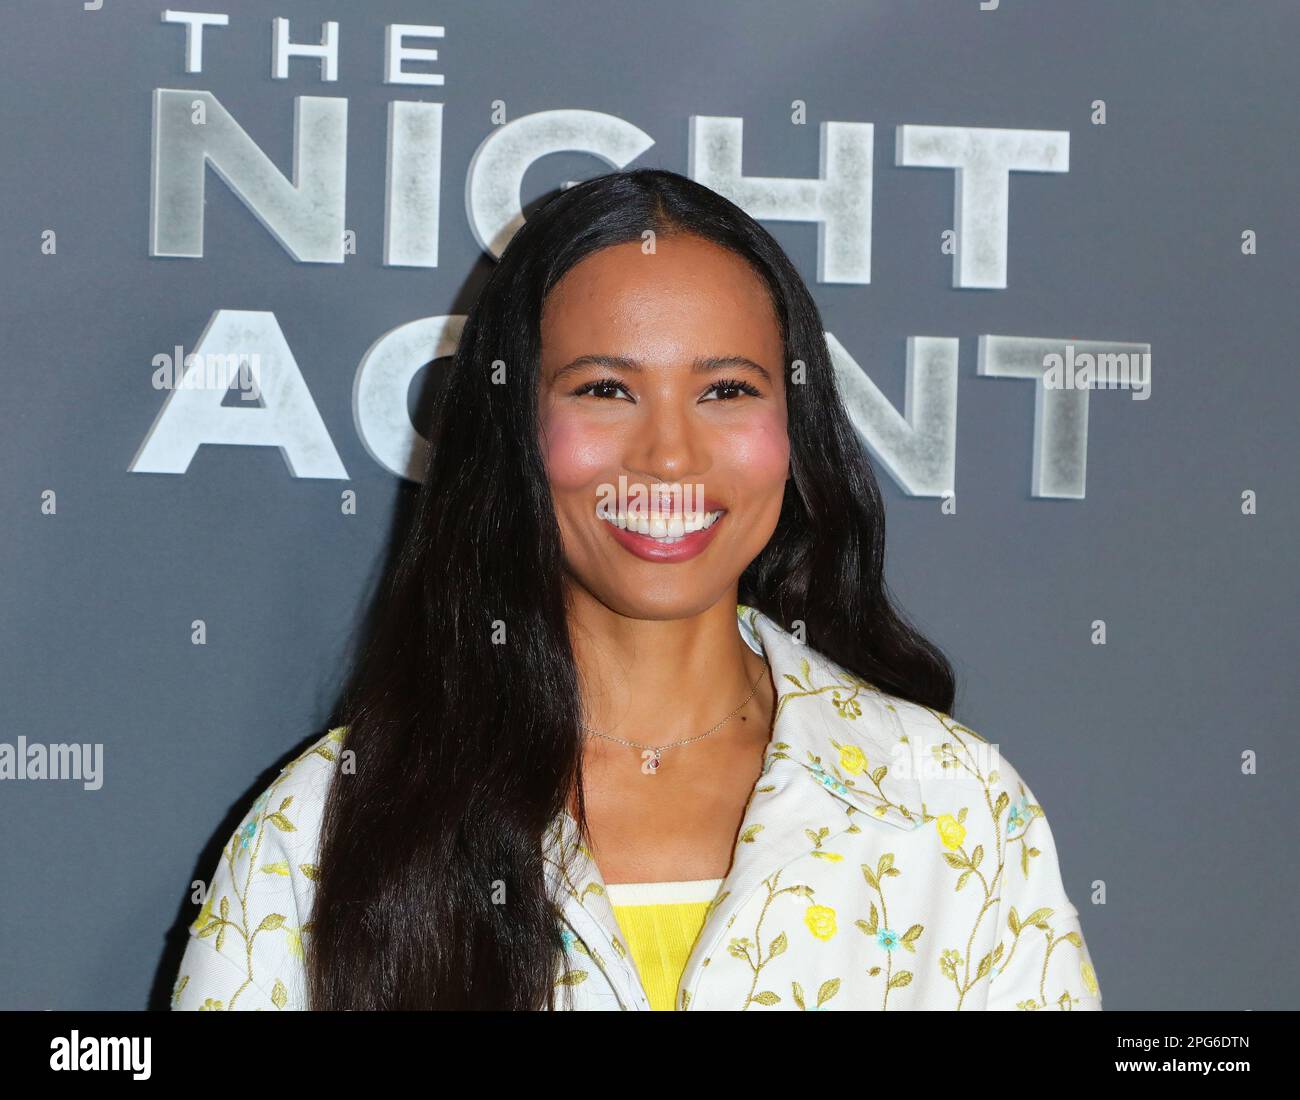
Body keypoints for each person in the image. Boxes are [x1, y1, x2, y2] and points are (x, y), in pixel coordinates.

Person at [171, 167, 1101, 1011]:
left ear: (797, 425)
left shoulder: (954, 809)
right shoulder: (327, 829)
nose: (667, 455)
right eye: (605, 390)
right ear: (516, 429)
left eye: (727, 391)